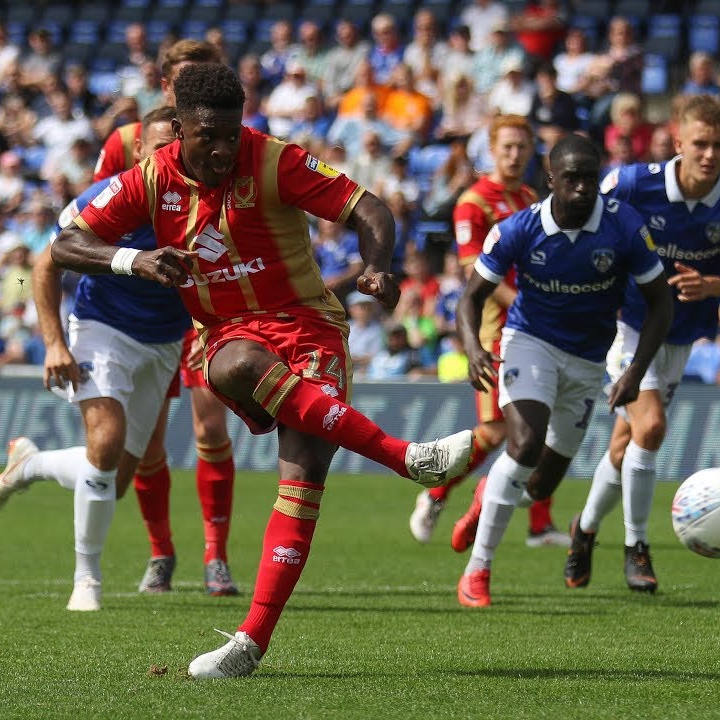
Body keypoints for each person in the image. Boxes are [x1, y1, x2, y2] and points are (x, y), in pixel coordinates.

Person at [50, 63, 473, 677]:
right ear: (180, 133)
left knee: (302, 481)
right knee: (239, 363)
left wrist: (378, 264)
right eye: (207, 136)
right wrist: (133, 259)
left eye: (230, 133)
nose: (223, 149)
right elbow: (65, 244)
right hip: (228, 335)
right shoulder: (150, 179)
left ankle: (248, 644)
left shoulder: (275, 160)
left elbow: (370, 209)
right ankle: (404, 458)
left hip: (309, 326)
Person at [0, 107, 189, 613]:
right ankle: (86, 582)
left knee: (112, 480)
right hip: (103, 328)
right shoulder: (109, 197)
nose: (166, 157)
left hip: (165, 343)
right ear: (138, 152)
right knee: (106, 441)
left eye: (175, 148)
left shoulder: (201, 201)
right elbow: (44, 265)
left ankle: (30, 464)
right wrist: (54, 344)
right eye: (157, 147)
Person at [454, 134, 674, 608]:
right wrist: (473, 346)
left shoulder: (623, 226)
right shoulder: (518, 229)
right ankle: (477, 571)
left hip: (589, 360)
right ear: (551, 179)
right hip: (530, 342)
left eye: (589, 177)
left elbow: (661, 303)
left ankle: (486, 496)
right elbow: (470, 297)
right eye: (570, 178)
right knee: (524, 443)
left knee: (539, 484)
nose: (580, 187)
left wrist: (635, 371)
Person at [566, 94, 720, 593]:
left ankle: (584, 529)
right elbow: (590, 234)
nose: (710, 154)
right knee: (650, 428)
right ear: (678, 142)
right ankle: (637, 546)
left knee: (623, 446)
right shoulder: (634, 184)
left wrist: (712, 286)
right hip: (629, 325)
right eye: (700, 143)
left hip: (680, 333)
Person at [89, 40, 240, 598]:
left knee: (209, 427)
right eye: (183, 83)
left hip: (203, 308)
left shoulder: (226, 137)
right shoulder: (126, 143)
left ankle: (216, 557)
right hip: (144, 313)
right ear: (165, 87)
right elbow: (99, 218)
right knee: (145, 450)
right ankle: (160, 553)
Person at [408, 115, 568, 550]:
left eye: (522, 147)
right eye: (507, 147)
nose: (515, 155)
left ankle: (540, 522)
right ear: (492, 151)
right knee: (497, 433)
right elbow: (473, 271)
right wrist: (522, 301)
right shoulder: (473, 203)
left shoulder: (531, 197)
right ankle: (437, 492)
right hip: (500, 329)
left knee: (547, 427)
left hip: (540, 322)